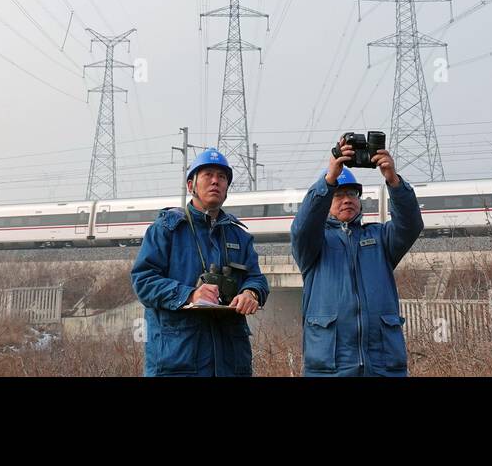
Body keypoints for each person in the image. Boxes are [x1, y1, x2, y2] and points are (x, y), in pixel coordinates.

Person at [289, 136, 424, 376]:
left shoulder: (381, 238)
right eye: (338, 195)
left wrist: (393, 180)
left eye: (352, 194)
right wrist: (329, 178)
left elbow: (411, 226)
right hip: (329, 368)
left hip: (383, 366)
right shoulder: (314, 244)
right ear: (327, 201)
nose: (347, 199)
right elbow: (302, 227)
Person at [130, 148, 269, 376]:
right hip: (177, 364)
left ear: (226, 189)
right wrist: (190, 294)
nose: (215, 181)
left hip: (230, 364)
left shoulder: (239, 237)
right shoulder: (166, 230)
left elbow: (256, 278)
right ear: (190, 185)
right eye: (207, 175)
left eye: (222, 177)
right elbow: (143, 281)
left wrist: (251, 293)